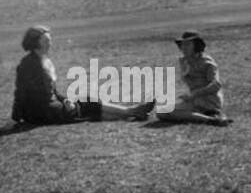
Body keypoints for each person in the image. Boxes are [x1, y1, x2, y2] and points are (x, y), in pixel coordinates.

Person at [12, 24, 155, 126]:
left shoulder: (45, 60)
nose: (50, 44)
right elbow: (21, 92)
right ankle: (133, 111)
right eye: (46, 41)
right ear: (35, 43)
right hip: (41, 111)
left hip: (51, 106)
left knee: (87, 105)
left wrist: (65, 100)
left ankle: (133, 112)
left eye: (50, 40)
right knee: (86, 106)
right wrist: (17, 116)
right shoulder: (27, 65)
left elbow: (52, 90)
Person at [156, 30, 229, 125]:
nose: (184, 48)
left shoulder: (207, 63)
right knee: (161, 112)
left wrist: (193, 95)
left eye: (188, 45)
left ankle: (210, 118)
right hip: (194, 100)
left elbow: (216, 85)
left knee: (165, 111)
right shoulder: (184, 61)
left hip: (209, 101)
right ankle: (209, 118)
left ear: (197, 46)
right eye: (182, 45)